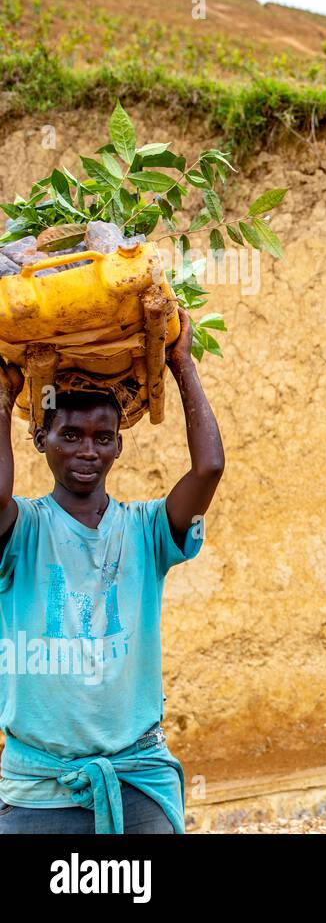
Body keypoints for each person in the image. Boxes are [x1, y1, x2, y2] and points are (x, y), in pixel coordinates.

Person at [0, 311, 223, 834]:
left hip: (136, 777)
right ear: (41, 440)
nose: (87, 451)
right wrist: (3, 397)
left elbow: (208, 469)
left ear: (119, 446)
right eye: (70, 434)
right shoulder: (22, 531)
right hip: (39, 787)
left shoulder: (148, 531)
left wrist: (181, 364)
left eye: (103, 438)